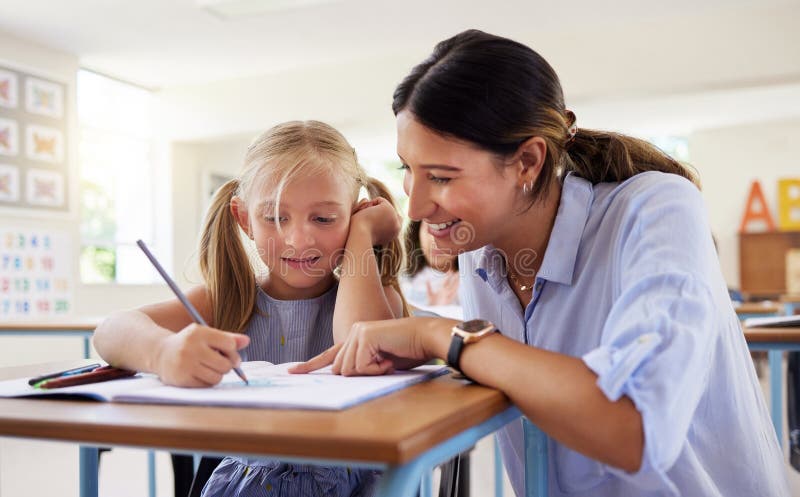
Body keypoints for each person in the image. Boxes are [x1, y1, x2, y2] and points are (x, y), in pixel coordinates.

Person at [290, 30, 789, 496]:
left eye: (441, 177)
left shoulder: (656, 208)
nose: (416, 207)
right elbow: (358, 348)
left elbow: (635, 426)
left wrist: (443, 337)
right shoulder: (480, 250)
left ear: (528, 162)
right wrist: (358, 236)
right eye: (409, 170)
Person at [93, 120, 407, 497]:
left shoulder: (378, 299)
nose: (298, 238)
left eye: (324, 218)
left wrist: (362, 233)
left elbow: (363, 341)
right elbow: (110, 331)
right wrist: (162, 352)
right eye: (274, 217)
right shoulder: (226, 301)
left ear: (353, 214)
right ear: (244, 220)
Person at [400, 220, 462, 319]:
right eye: (431, 229)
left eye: (447, 231)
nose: (434, 241)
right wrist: (434, 308)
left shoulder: (469, 284)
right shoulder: (402, 279)